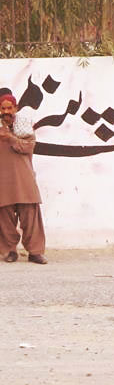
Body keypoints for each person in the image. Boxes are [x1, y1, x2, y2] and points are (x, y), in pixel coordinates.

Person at [0, 89, 45, 264]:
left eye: (9, 108)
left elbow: (27, 148)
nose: (6, 112)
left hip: (24, 179)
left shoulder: (24, 127)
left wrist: (9, 138)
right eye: (3, 109)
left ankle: (35, 252)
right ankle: (9, 251)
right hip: (3, 180)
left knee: (31, 216)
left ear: (16, 108)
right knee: (4, 218)